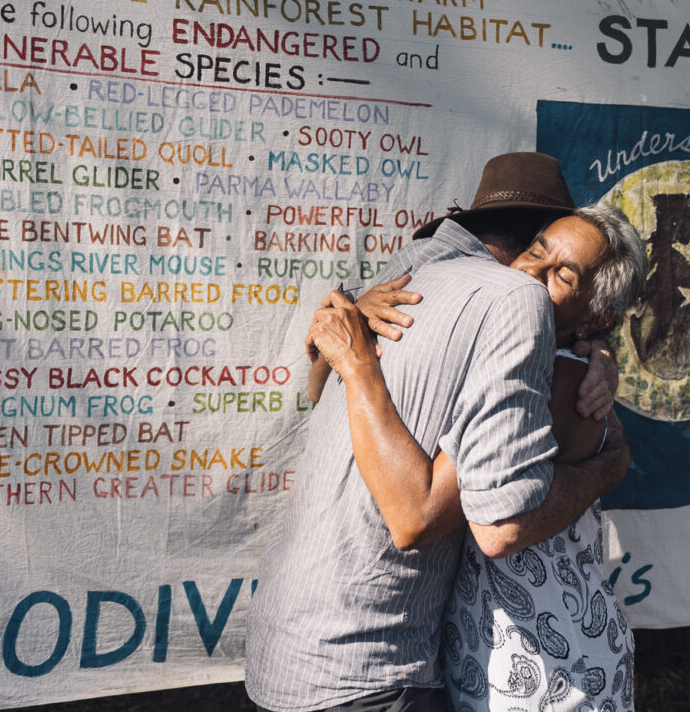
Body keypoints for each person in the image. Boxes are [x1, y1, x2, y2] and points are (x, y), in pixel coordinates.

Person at [245, 153, 630, 712]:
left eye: (562, 274)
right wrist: (611, 464)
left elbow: (473, 520)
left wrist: (595, 361)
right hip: (391, 665)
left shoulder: (413, 281)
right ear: (526, 241)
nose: (531, 277)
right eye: (536, 251)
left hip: (531, 666)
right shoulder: (487, 306)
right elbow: (430, 516)